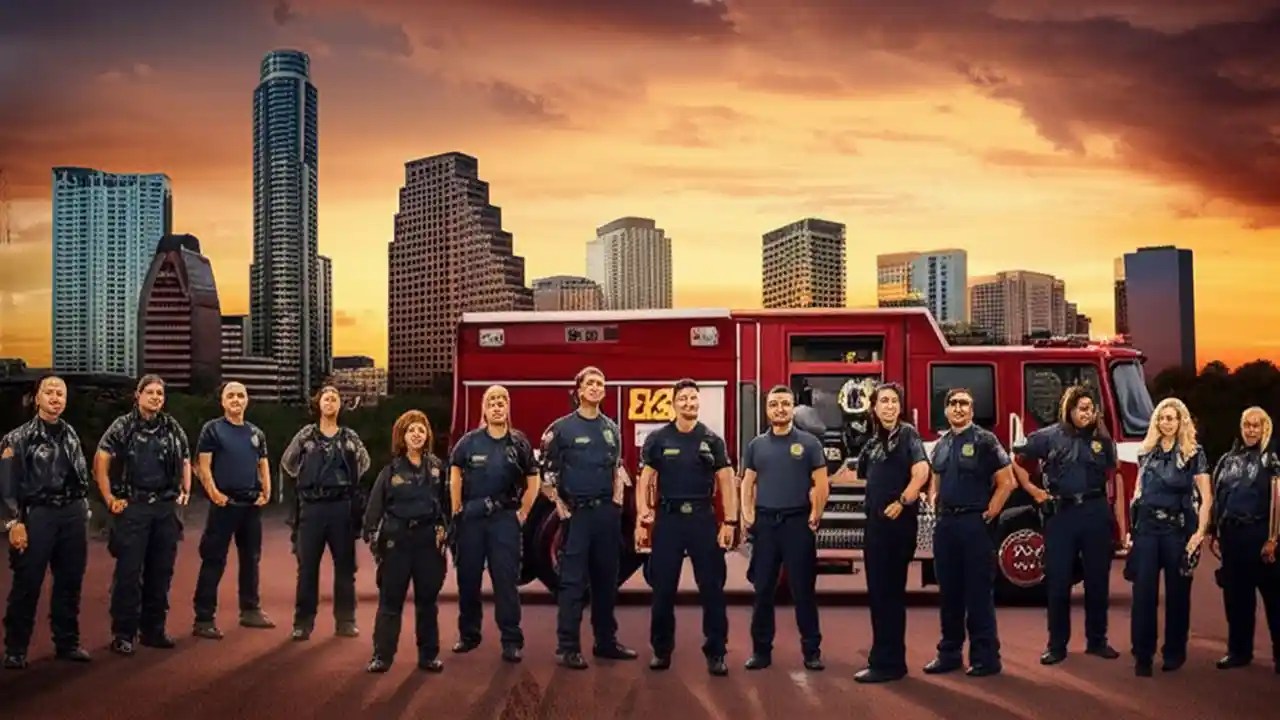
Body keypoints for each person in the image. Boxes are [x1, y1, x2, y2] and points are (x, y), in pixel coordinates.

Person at [1010, 385, 1122, 665]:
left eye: (1091, 408)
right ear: (1069, 410)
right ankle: (1056, 645)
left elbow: (1114, 477)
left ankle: (1098, 641)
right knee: (1058, 582)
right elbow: (1017, 461)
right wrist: (1035, 493)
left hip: (1096, 513)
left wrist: (1120, 523)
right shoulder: (1048, 437)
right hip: (1062, 515)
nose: (1088, 413)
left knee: (1098, 581)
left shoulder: (1103, 439)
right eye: (1082, 408)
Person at [637, 378, 737, 676]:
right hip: (668, 521)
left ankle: (716, 652)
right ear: (674, 403)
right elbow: (646, 478)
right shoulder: (658, 439)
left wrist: (729, 521)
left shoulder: (712, 440)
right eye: (683, 399)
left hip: (702, 520)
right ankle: (661, 650)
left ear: (698, 402)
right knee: (663, 589)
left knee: (712, 589)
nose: (689, 404)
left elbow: (726, 480)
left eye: (693, 399)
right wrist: (644, 512)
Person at [540, 366, 637, 669]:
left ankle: (605, 642)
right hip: (577, 515)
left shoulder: (611, 428)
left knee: (607, 581)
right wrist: (559, 506)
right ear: (579, 390)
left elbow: (617, 468)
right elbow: (546, 474)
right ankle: (568, 646)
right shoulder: (562, 429)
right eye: (590, 383)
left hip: (606, 515)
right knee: (572, 583)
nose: (596, 388)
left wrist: (618, 502)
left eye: (600, 383)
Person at [95, 374, 191, 655]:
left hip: (165, 508)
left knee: (161, 572)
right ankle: (123, 634)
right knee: (129, 573)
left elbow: (185, 458)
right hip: (133, 506)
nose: (156, 397)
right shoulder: (122, 426)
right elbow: (101, 460)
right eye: (150, 392)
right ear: (138, 396)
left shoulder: (172, 427)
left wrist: (185, 490)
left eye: (160, 393)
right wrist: (110, 498)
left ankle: (154, 630)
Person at [923, 387, 1016, 678]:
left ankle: (986, 658)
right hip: (946, 526)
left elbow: (1007, 482)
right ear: (947, 409)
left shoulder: (986, 441)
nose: (958, 408)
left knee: (978, 594)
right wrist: (932, 497)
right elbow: (934, 478)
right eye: (953, 404)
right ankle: (949, 654)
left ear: (972, 411)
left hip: (974, 525)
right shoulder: (941, 444)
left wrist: (989, 512)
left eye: (964, 403)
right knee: (949, 594)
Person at [0, 375, 92, 669]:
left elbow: (80, 475)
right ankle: (16, 648)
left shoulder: (70, 434)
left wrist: (83, 507)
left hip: (72, 515)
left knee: (70, 581)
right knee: (27, 583)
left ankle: (67, 642)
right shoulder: (16, 439)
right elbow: (6, 486)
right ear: (36, 398)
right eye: (49, 392)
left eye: (60, 393)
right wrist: (13, 522)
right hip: (37, 515)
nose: (55, 398)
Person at [740, 384, 829, 671]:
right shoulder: (756, 445)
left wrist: (816, 512)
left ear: (793, 407)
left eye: (785, 404)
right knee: (763, 589)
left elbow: (821, 482)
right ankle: (761, 651)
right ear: (767, 409)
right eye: (774, 404)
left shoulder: (810, 443)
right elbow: (747, 482)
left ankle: (811, 651)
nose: (780, 408)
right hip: (766, 526)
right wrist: (747, 514)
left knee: (803, 590)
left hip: (797, 524)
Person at [449, 385, 539, 663]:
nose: (498, 406)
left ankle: (511, 639)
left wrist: (522, 512)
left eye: (502, 401)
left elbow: (533, 480)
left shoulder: (519, 443)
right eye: (492, 402)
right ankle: (468, 635)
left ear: (508, 407)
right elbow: (455, 476)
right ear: (484, 409)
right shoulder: (468, 442)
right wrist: (457, 511)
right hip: (473, 520)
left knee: (506, 580)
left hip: (504, 520)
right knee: (468, 579)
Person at [1125, 397, 1212, 677]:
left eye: (1171, 418)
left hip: (1177, 530)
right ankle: (1142, 655)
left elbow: (1206, 497)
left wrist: (1200, 533)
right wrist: (1131, 529)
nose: (1166, 423)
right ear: (1156, 422)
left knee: (1178, 596)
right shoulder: (1146, 452)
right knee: (1143, 596)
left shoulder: (1193, 453)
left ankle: (1174, 652)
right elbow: (1138, 492)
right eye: (1162, 418)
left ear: (1181, 421)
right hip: (1147, 530)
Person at [852, 383, 930, 683]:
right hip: (874, 528)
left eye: (893, 401)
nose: (888, 406)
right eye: (883, 401)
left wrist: (903, 500)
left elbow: (921, 471)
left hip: (897, 527)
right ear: (874, 407)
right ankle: (882, 657)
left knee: (889, 595)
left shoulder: (908, 434)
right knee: (878, 594)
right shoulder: (872, 443)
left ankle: (890, 664)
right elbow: (858, 475)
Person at [280, 384, 371, 641]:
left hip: (341, 507)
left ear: (340, 405)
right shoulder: (306, 436)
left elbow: (364, 462)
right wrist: (309, 478)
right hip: (312, 507)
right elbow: (288, 462)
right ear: (318, 404)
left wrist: (344, 480)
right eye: (326, 398)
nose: (330, 402)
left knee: (345, 568)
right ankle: (303, 623)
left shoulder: (349, 437)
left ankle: (346, 621)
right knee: (307, 568)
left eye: (335, 398)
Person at [363, 410, 450, 673]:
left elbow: (447, 505)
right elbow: (374, 508)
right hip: (397, 541)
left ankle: (428, 656)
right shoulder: (389, 472)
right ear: (402, 436)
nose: (416, 435)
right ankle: (382, 656)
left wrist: (445, 530)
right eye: (411, 430)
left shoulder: (437, 469)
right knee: (390, 601)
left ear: (427, 437)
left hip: (427, 542)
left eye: (421, 431)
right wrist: (372, 536)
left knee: (427, 601)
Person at [191, 381, 275, 639]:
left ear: (247, 400)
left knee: (251, 559)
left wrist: (266, 491)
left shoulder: (255, 433)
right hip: (224, 504)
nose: (236, 399)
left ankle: (250, 610)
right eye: (231, 396)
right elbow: (202, 465)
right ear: (223, 401)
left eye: (241, 395)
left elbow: (263, 463)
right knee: (214, 559)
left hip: (250, 505)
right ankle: (204, 618)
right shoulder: (213, 430)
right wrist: (214, 493)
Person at [1207, 406, 1279, 673]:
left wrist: (1274, 538)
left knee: (1275, 600)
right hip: (1233, 537)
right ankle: (1239, 651)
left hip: (1262, 536)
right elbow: (1219, 494)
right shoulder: (1228, 459)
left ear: (1265, 427)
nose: (1250, 430)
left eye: (1256, 425)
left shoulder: (1273, 458)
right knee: (1237, 599)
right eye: (1246, 425)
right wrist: (1214, 531)